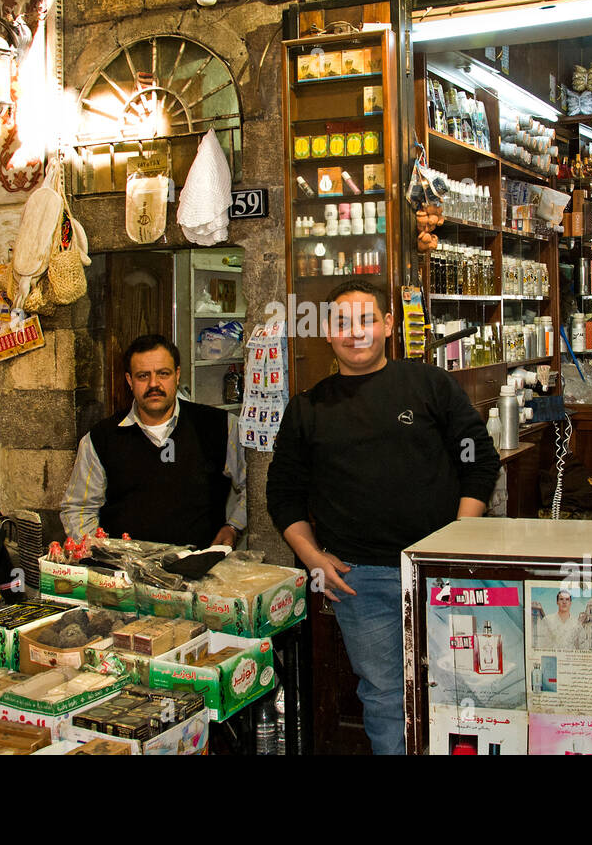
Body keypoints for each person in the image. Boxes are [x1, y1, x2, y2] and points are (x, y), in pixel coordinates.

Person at [267, 279, 500, 755]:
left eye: (368, 320)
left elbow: (479, 458)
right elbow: (283, 494)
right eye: (343, 324)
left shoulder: (429, 385)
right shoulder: (308, 408)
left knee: (467, 689)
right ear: (327, 333)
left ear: (389, 325)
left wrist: (458, 538)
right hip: (361, 580)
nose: (357, 333)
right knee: (383, 696)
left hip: (442, 571)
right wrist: (312, 557)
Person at [61, 334, 245, 549]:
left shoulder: (220, 426)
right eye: (143, 376)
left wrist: (233, 526)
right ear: (130, 381)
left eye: (163, 374)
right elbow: (79, 509)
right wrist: (100, 552)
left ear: (177, 375)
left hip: (201, 569)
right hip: (126, 572)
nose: (153, 384)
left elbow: (255, 486)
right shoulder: (101, 439)